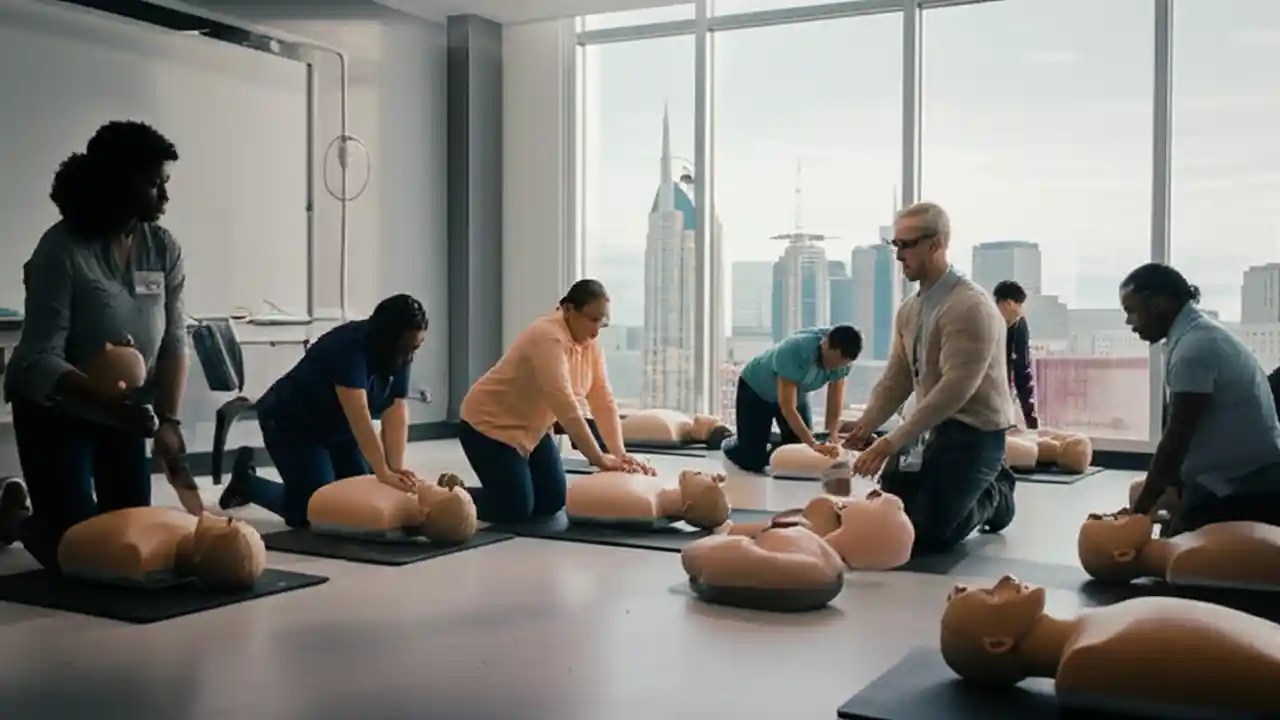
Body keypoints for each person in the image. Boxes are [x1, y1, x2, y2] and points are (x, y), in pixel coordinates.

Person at [2, 121, 189, 570]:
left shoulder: (162, 248)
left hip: (123, 413)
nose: (164, 195)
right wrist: (108, 402)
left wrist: (169, 419)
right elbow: (39, 358)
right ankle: (15, 519)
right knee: (77, 550)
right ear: (119, 183)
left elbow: (174, 340)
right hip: (56, 409)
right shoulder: (61, 250)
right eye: (153, 183)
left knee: (131, 540)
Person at [842, 202, 1018, 556]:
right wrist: (867, 425)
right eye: (895, 245)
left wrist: (890, 443)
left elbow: (954, 391)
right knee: (895, 517)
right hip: (927, 429)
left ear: (935, 244)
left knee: (932, 535)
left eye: (906, 245)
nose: (898, 256)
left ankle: (996, 490)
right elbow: (897, 378)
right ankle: (965, 485)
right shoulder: (910, 309)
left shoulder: (971, 308)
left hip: (972, 435)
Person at [217, 294, 429, 527]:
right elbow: (359, 414)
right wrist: (383, 471)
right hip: (293, 424)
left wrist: (395, 468)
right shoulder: (348, 348)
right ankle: (246, 483)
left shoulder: (400, 351)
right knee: (317, 511)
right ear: (387, 339)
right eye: (407, 348)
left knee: (361, 501)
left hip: (339, 429)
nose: (410, 356)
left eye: (415, 348)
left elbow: (395, 407)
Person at [457, 279, 654, 523]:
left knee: (551, 501)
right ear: (569, 310)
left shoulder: (590, 345)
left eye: (602, 323)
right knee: (515, 507)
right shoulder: (547, 337)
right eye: (592, 320)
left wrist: (619, 453)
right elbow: (565, 404)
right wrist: (598, 458)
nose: (596, 331)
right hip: (487, 426)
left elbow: (603, 400)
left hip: (533, 430)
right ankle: (452, 495)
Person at [1123, 263, 1280, 533]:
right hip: (1232, 476)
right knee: (1146, 499)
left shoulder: (1195, 349)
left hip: (1246, 487)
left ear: (1159, 304)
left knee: (1173, 553)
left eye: (1131, 311)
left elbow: (1176, 439)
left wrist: (1136, 514)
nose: (1129, 322)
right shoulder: (1194, 334)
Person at [721, 325, 862, 473]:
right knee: (752, 459)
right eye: (832, 362)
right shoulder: (794, 350)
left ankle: (765, 438)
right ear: (825, 344)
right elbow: (787, 407)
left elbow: (834, 403)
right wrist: (813, 443)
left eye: (841, 364)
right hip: (756, 390)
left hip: (796, 391)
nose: (834, 368)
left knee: (799, 451)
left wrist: (831, 436)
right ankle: (735, 440)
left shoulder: (843, 361)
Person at [992, 280, 1039, 429]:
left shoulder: (1020, 326)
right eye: (1019, 306)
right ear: (1009, 304)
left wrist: (1031, 419)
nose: (1021, 311)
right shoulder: (989, 324)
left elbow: (1022, 371)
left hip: (1002, 396)